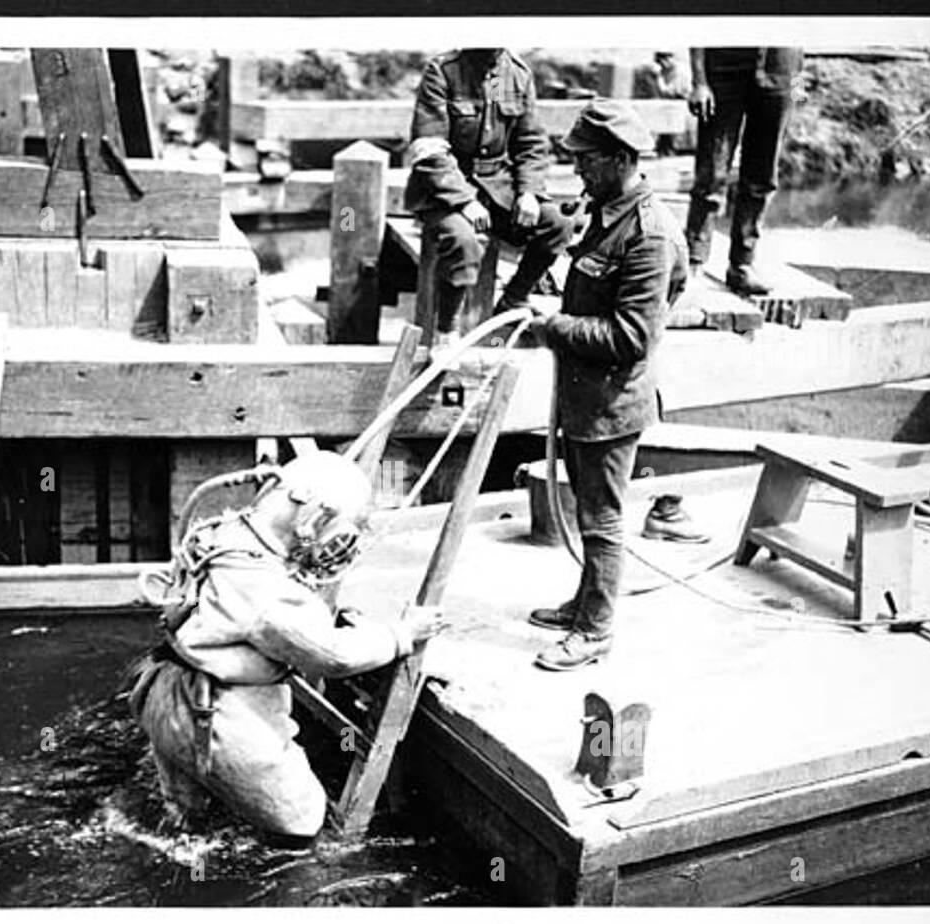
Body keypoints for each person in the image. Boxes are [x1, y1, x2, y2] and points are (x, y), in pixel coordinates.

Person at [116, 451, 444, 841]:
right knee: (303, 822)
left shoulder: (222, 533)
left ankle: (187, 819)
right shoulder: (269, 592)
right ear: (314, 518)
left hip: (161, 694)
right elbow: (332, 655)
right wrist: (399, 635)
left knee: (185, 820)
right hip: (219, 716)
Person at [525, 101, 689, 672]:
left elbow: (633, 335)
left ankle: (595, 633)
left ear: (621, 159)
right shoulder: (606, 209)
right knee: (593, 512)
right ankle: (585, 604)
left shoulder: (648, 233)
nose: (578, 173)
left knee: (602, 520)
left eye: (586, 162)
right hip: (585, 396)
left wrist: (555, 328)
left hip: (612, 405)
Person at [404, 48, 574, 350]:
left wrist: (529, 192)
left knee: (558, 225)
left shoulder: (517, 74)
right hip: (443, 188)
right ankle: (446, 332)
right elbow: (428, 148)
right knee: (464, 241)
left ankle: (514, 299)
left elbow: (531, 143)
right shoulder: (443, 72)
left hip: (499, 186)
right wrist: (464, 200)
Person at [684, 47, 805, 295]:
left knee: (761, 175)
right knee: (712, 172)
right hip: (725, 67)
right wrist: (699, 81)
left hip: (780, 70)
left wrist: (797, 85)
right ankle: (693, 262)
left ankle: (742, 264)